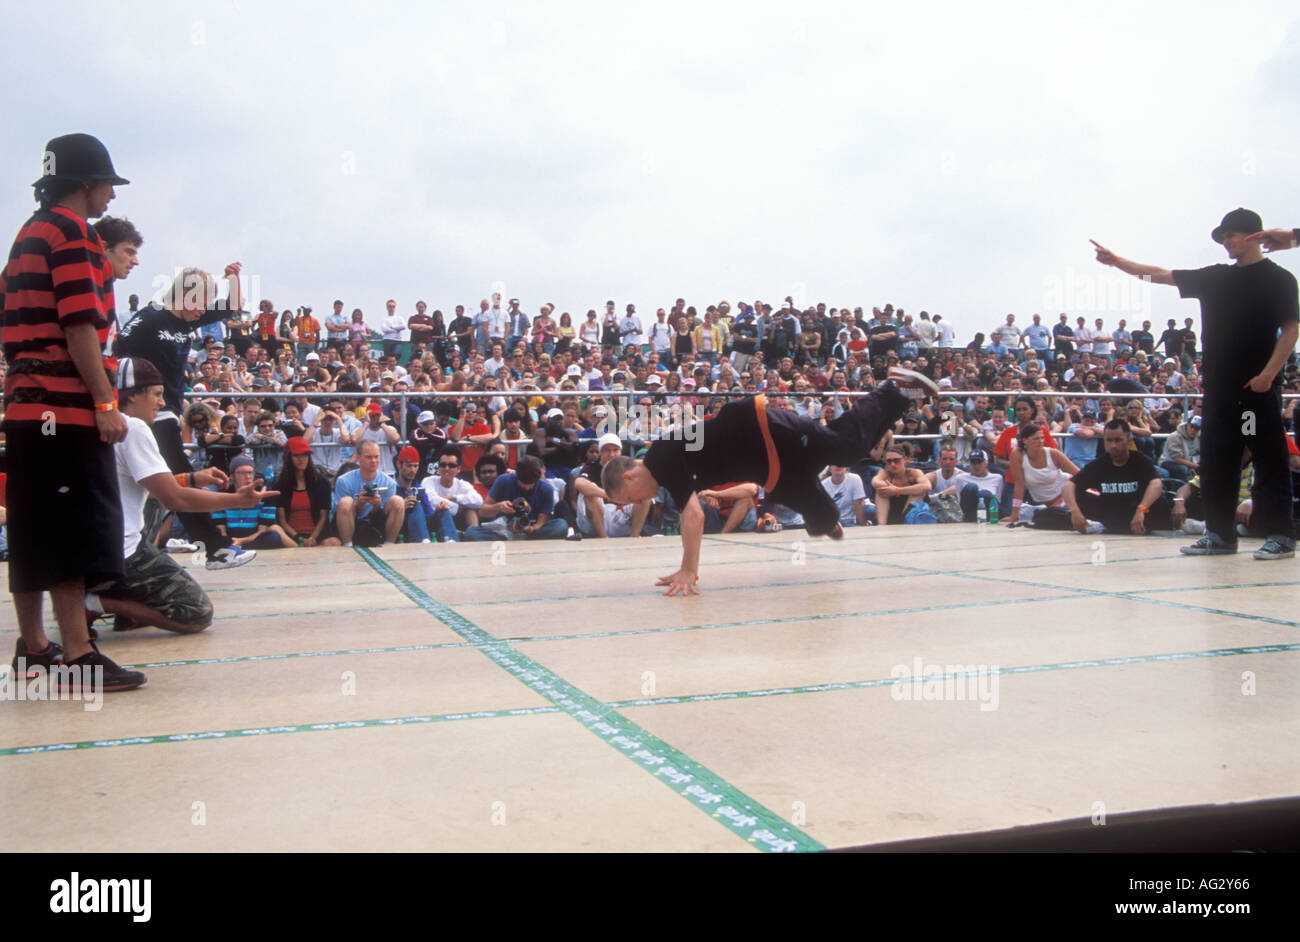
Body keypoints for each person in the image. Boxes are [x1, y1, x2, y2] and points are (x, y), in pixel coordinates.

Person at [602, 368, 939, 594]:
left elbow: (694, 517)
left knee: (845, 449)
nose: (636, 504)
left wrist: (688, 571)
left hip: (765, 433)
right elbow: (699, 504)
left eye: (630, 499)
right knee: (824, 518)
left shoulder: (661, 458)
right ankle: (826, 517)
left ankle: (892, 389)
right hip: (773, 469)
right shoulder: (667, 467)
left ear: (629, 477)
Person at [4, 133, 136, 689]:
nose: (110, 196)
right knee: (74, 532)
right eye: (107, 184)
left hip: (24, 406)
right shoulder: (74, 233)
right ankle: (80, 656)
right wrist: (105, 401)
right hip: (67, 408)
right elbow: (80, 326)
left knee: (33, 529)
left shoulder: (26, 235)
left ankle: (34, 647)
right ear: (86, 183)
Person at [1093, 209, 1298, 559]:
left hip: (1255, 391)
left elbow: (1292, 328)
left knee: (1267, 457)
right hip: (1219, 390)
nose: (1226, 243)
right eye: (1222, 238)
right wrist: (1116, 262)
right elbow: (1161, 275)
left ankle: (1279, 534)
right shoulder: (1215, 278)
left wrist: (1267, 375)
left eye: (1231, 236)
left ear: (1253, 236)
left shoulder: (1278, 279)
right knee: (1217, 459)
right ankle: (1219, 534)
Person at [91, 358, 278, 640]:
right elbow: (176, 500)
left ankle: (124, 608)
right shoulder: (133, 428)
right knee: (196, 612)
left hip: (90, 550)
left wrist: (193, 478)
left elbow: (154, 487)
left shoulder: (101, 423)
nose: (161, 402)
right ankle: (95, 603)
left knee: (152, 497)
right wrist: (237, 500)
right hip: (119, 555)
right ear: (132, 395)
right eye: (155, 394)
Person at [116, 256, 255, 569]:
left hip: (167, 410)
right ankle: (215, 547)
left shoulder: (188, 320)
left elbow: (233, 305)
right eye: (199, 302)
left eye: (206, 304)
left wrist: (233, 277)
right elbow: (117, 354)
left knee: (158, 485)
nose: (202, 310)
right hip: (145, 411)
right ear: (182, 294)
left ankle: (136, 553)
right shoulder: (150, 319)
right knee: (177, 474)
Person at [1063, 418, 1170, 534]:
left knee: (1160, 502)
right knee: (1069, 503)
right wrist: (1075, 511)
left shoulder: (1140, 460)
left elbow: (1156, 483)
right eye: (1109, 440)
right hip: (1109, 510)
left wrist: (1141, 509)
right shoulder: (1100, 463)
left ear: (1129, 441)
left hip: (1135, 509)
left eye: (1118, 440)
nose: (1113, 445)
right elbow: (1070, 485)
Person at [332, 439, 405, 547]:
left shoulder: (389, 482)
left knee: (398, 501)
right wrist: (359, 505)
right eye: (368, 457)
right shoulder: (344, 480)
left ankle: (389, 544)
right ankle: (347, 545)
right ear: (358, 458)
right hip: (352, 522)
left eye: (376, 456)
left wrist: (377, 506)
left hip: (376, 523)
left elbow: (382, 516)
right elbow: (340, 512)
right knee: (345, 502)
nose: (374, 461)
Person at [274, 438, 338, 547]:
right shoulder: (280, 484)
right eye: (296, 455)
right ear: (288, 457)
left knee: (334, 542)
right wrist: (300, 539)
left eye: (305, 455)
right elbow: (282, 520)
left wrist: (312, 538)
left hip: (316, 535)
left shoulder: (322, 483)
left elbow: (323, 517)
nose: (301, 459)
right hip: (292, 537)